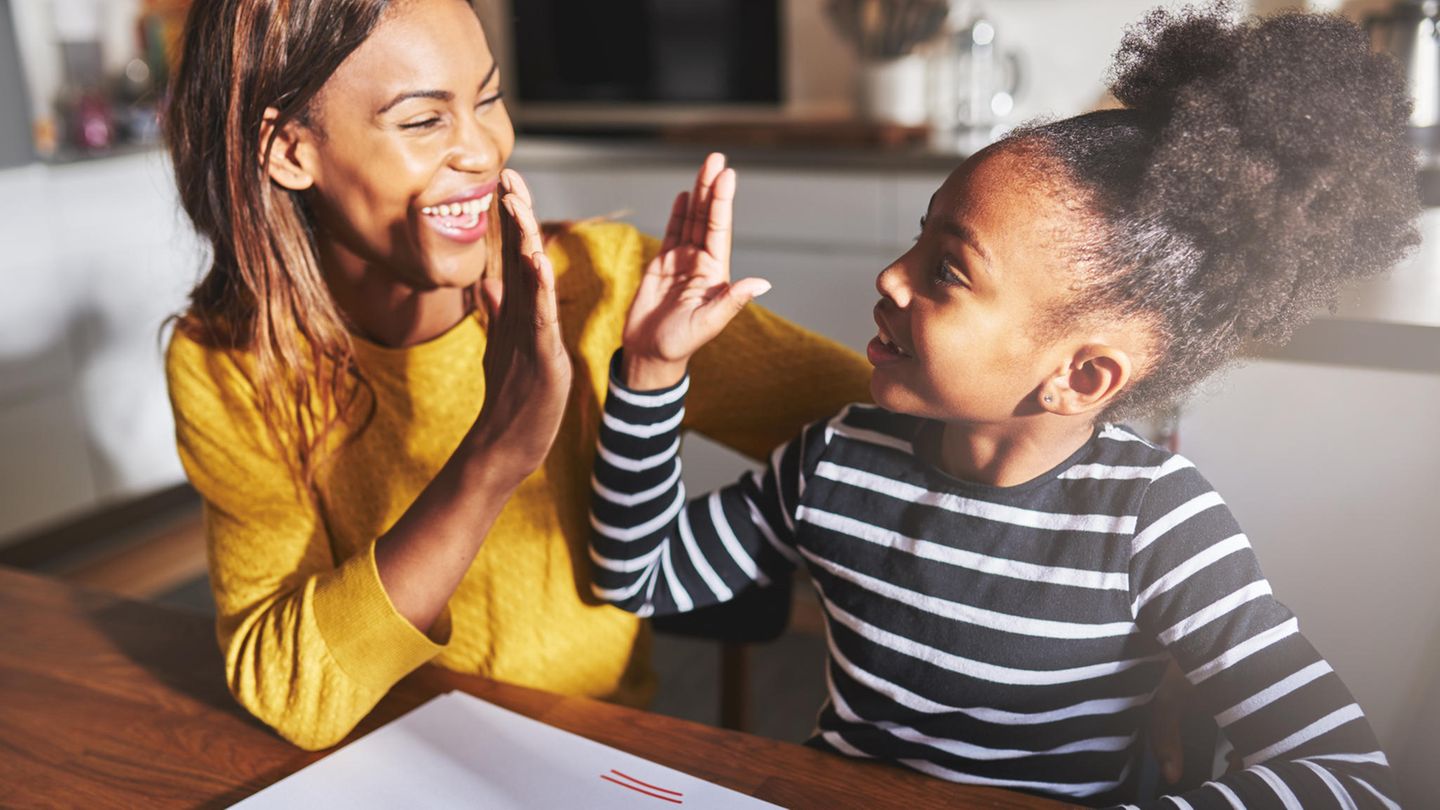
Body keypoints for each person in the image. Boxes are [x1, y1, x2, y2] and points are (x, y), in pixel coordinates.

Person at [588, 6, 1414, 807]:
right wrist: (655, 370)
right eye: (919, 236)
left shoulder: (1154, 521)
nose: (891, 275)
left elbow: (1343, 774)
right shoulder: (835, 456)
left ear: (1081, 378)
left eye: (947, 269)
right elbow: (638, 576)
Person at [161, 0, 872, 750]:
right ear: (288, 150)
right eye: (423, 120)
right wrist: (493, 457)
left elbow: (906, 429)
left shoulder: (608, 286)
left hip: (595, 752)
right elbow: (292, 689)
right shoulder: (230, 362)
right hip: (380, 756)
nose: (484, 148)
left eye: (489, 98)